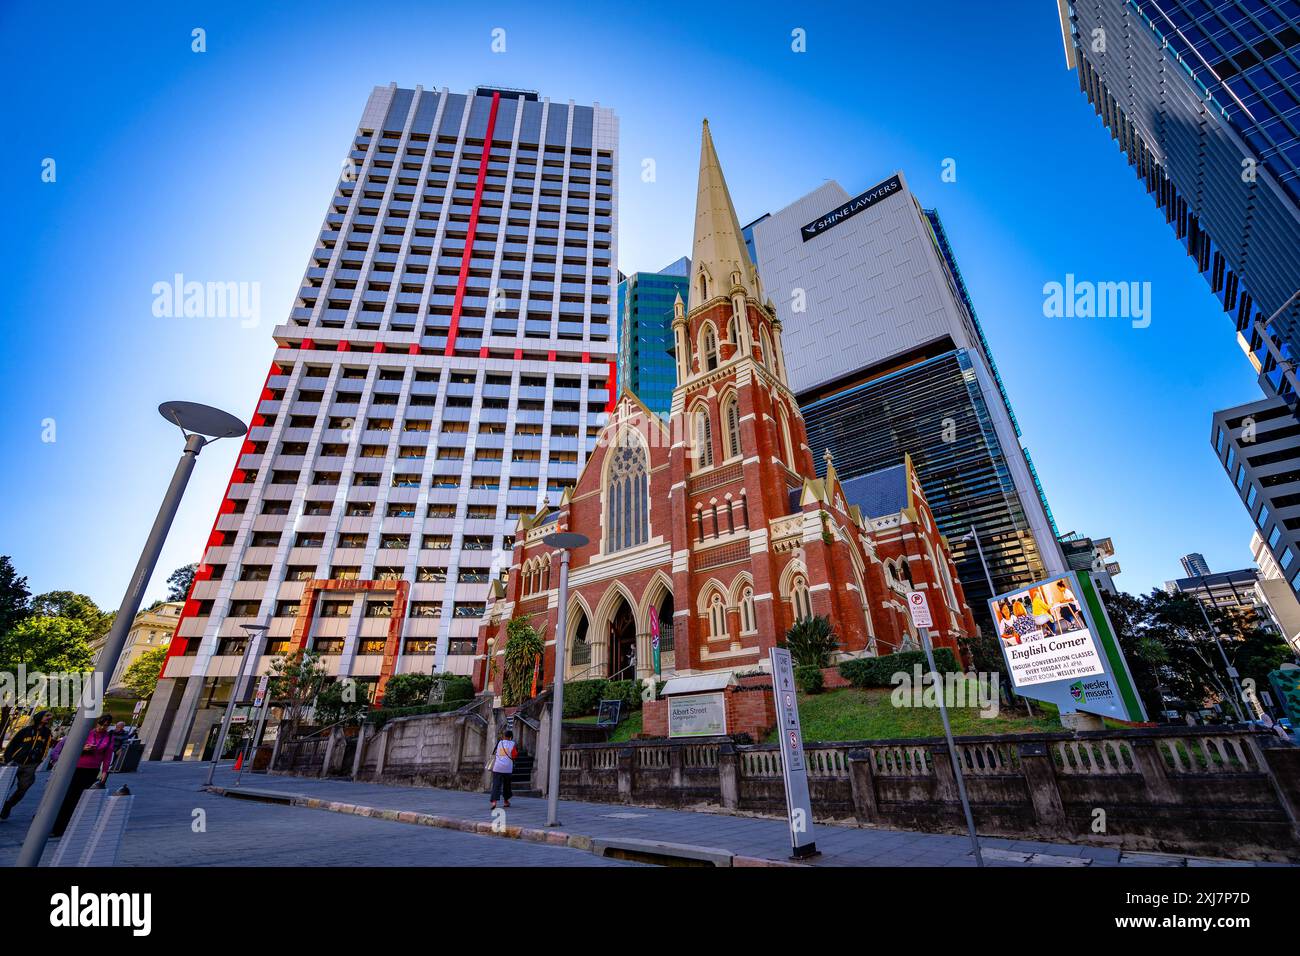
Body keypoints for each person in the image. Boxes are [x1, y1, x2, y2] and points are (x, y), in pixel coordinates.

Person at [50, 714, 115, 838]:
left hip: (92, 771)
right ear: (96, 723)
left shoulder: (109, 737)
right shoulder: (86, 733)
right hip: (77, 768)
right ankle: (57, 827)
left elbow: (108, 755)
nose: (103, 727)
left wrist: (105, 771)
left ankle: (71, 827)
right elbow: (70, 749)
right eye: (101, 724)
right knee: (68, 797)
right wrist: (83, 749)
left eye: (106, 725)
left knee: (80, 799)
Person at [1, 710, 54, 820]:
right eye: (46, 715)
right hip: (15, 763)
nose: (49, 718)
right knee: (5, 786)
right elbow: (12, 745)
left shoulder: (47, 733)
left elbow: (46, 748)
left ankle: (8, 805)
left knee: (24, 788)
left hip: (30, 765)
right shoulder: (25, 731)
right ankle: (1, 804)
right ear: (39, 717)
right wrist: (8, 760)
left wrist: (38, 762)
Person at [488, 729, 518, 810]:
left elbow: (494, 752)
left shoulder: (499, 742)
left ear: (503, 736)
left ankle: (494, 802)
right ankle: (506, 801)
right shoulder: (513, 744)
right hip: (507, 768)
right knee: (507, 785)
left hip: (497, 767)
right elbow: (515, 756)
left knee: (496, 785)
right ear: (511, 737)